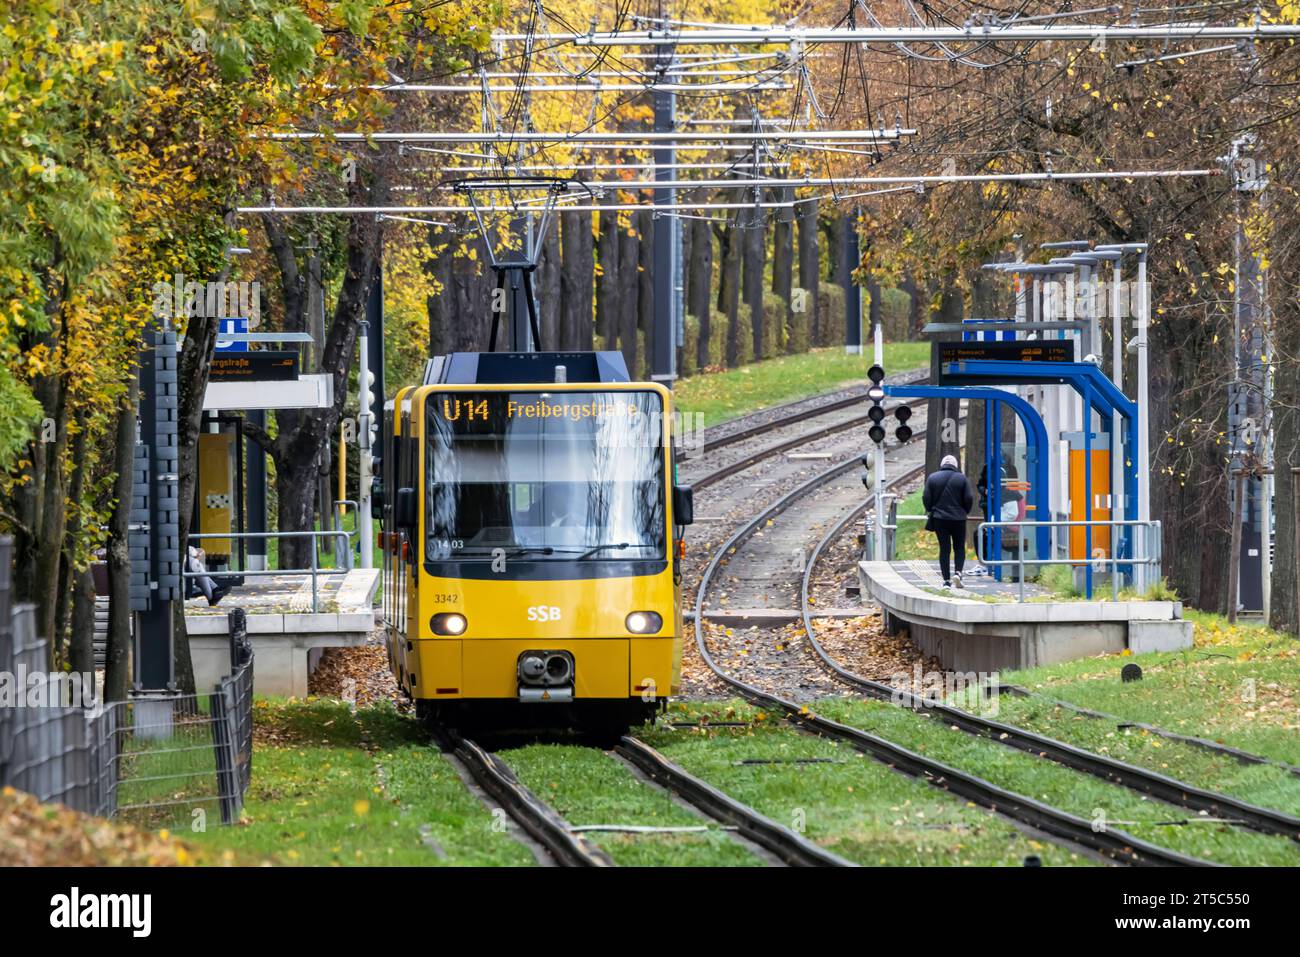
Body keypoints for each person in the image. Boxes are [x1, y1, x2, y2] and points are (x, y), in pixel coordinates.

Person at [923, 453, 975, 589]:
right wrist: (965, 511)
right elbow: (969, 498)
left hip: (940, 519)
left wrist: (930, 510)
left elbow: (926, 497)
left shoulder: (932, 478)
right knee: (959, 547)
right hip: (959, 519)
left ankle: (946, 580)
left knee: (944, 549)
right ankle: (958, 573)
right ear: (955, 465)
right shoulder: (962, 479)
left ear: (942, 465)